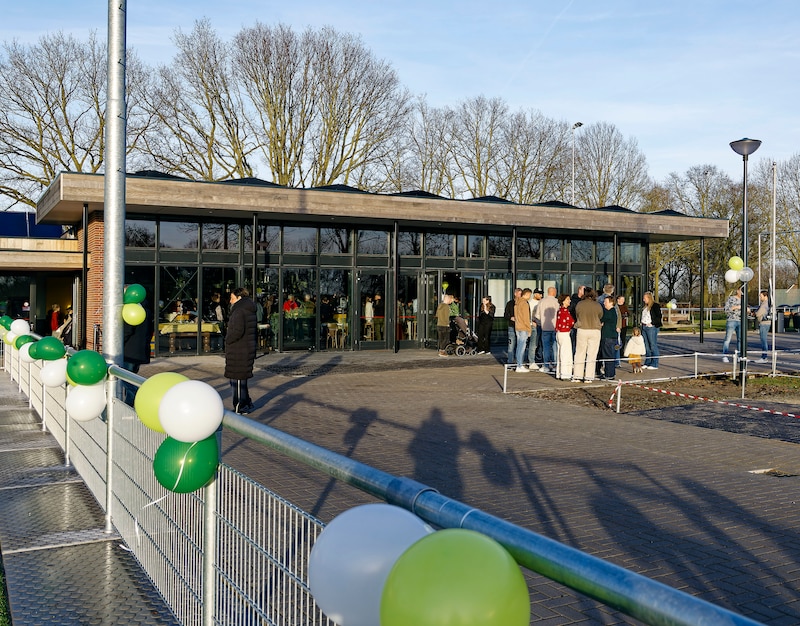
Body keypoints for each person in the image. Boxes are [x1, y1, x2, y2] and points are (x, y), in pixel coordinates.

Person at [225, 287, 258, 414]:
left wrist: (228, 339)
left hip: (239, 350)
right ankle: (246, 402)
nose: (230, 301)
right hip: (245, 349)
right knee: (240, 379)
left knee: (237, 379)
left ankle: (240, 406)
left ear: (239, 298)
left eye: (232, 298)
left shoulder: (239, 311)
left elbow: (237, 331)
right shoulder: (248, 309)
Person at [122, 298, 154, 405]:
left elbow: (127, 331)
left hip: (129, 351)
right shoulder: (147, 311)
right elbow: (150, 331)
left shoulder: (132, 311)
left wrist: (118, 344)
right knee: (131, 377)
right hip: (140, 351)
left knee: (126, 378)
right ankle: (130, 403)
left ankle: (137, 397)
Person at [573, 288, 603, 383]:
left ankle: (577, 376)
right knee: (592, 355)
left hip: (582, 329)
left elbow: (577, 314)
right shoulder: (597, 305)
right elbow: (600, 315)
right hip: (595, 330)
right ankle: (589, 377)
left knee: (579, 353)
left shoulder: (580, 304)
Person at [537, 287, 559, 373]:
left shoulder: (542, 301)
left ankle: (546, 365)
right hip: (555, 327)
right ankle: (554, 364)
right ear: (554, 292)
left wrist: (541, 322)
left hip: (545, 327)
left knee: (545, 347)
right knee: (554, 347)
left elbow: (537, 315)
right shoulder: (557, 302)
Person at [641, 291, 662, 369]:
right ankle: (648, 361)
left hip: (651, 327)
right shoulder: (645, 307)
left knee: (653, 345)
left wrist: (652, 322)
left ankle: (655, 363)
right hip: (644, 327)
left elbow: (659, 316)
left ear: (649, 298)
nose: (643, 300)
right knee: (647, 346)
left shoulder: (655, 306)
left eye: (645, 298)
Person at [555, 294, 574, 381]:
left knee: (560, 353)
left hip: (559, 332)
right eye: (567, 299)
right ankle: (565, 374)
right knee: (566, 354)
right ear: (563, 301)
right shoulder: (565, 311)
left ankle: (559, 373)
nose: (569, 301)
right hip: (564, 333)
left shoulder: (559, 310)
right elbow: (570, 322)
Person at [599, 296, 619, 379]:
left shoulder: (610, 311)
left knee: (608, 356)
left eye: (606, 302)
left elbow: (602, 318)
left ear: (611, 303)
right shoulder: (612, 311)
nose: (604, 303)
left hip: (608, 337)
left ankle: (609, 374)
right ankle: (610, 373)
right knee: (609, 355)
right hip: (610, 336)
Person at [514, 288, 533, 372]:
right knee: (522, 347)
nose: (530, 297)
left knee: (519, 346)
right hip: (523, 328)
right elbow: (526, 318)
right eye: (529, 295)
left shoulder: (517, 303)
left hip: (518, 327)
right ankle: (519, 365)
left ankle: (519, 364)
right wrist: (529, 329)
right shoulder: (524, 303)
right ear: (527, 294)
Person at [721, 287, 742, 364]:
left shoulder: (744, 300)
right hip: (732, 320)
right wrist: (736, 307)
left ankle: (740, 356)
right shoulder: (731, 299)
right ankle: (725, 355)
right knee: (728, 339)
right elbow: (726, 309)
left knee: (740, 339)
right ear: (738, 291)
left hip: (741, 321)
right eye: (741, 291)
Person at [504, 288, 521, 365]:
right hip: (512, 326)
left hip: (520, 327)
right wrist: (511, 317)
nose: (520, 296)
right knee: (511, 345)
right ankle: (510, 361)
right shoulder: (510, 303)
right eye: (519, 294)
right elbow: (505, 314)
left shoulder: (524, 303)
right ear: (515, 294)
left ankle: (519, 361)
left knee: (520, 345)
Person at [527, 288, 544, 370]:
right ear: (535, 294)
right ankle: (531, 361)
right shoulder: (530, 303)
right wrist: (531, 322)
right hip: (533, 325)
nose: (541, 295)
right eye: (539, 294)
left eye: (541, 294)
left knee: (540, 343)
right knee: (533, 344)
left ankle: (539, 358)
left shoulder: (542, 302)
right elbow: (528, 314)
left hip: (541, 325)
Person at [754, 289, 771, 364]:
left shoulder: (764, 304)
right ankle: (764, 356)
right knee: (764, 340)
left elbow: (758, 314)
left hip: (764, 323)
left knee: (763, 340)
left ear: (765, 296)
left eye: (761, 296)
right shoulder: (768, 303)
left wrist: (754, 313)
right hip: (766, 323)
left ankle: (764, 357)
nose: (760, 297)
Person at [615, 295, 629, 366]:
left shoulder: (624, 307)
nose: (623, 301)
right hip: (619, 325)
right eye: (621, 300)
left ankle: (621, 353)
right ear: (618, 300)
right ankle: (617, 354)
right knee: (618, 340)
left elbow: (627, 314)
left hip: (624, 325)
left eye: (623, 300)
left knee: (623, 339)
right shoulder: (616, 307)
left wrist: (626, 315)